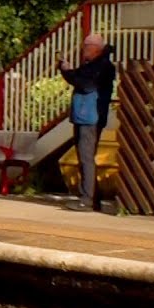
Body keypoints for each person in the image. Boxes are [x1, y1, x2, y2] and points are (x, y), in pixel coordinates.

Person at [58, 33, 117, 212]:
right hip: (87, 116)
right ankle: (92, 197)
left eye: (85, 47)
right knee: (85, 157)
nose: (83, 50)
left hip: (90, 116)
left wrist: (67, 71)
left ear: (95, 48)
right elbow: (79, 77)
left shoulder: (101, 66)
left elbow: (84, 83)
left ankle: (87, 199)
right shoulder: (95, 65)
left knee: (86, 157)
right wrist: (67, 71)